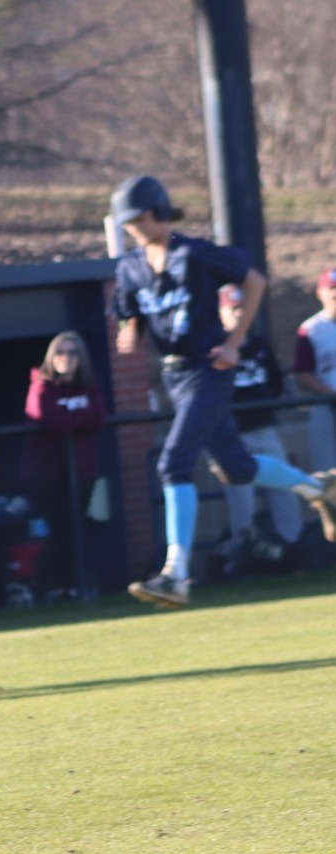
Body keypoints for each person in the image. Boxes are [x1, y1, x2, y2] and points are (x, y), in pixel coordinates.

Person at [109, 175, 336, 608]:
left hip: (208, 368)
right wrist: (129, 330)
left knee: (174, 464)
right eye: (128, 221)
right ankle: (316, 490)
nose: (133, 227)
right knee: (236, 466)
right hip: (174, 376)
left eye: (139, 217)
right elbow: (128, 312)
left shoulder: (191, 252)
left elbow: (253, 280)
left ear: (158, 211)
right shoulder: (130, 267)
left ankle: (176, 574)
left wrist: (234, 342)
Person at [210, 286, 303, 574]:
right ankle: (241, 562)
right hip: (231, 436)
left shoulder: (259, 346)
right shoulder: (214, 348)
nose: (238, 314)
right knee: (242, 503)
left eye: (242, 308)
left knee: (285, 492)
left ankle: (295, 553)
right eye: (232, 308)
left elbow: (276, 382)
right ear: (221, 312)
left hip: (264, 429)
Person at [19, 331, 107, 601]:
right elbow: (49, 419)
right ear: (51, 357)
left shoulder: (89, 387)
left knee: (81, 529)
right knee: (61, 531)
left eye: (72, 353)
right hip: (46, 476)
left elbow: (99, 418)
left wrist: (71, 419)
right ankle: (44, 586)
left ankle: (73, 586)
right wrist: (78, 419)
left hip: (83, 473)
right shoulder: (41, 387)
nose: (66, 358)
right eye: (61, 352)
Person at [291, 266, 336, 486]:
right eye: (331, 288)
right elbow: (302, 373)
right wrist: (329, 393)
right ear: (320, 292)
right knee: (327, 470)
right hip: (326, 404)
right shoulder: (311, 329)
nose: (335, 293)